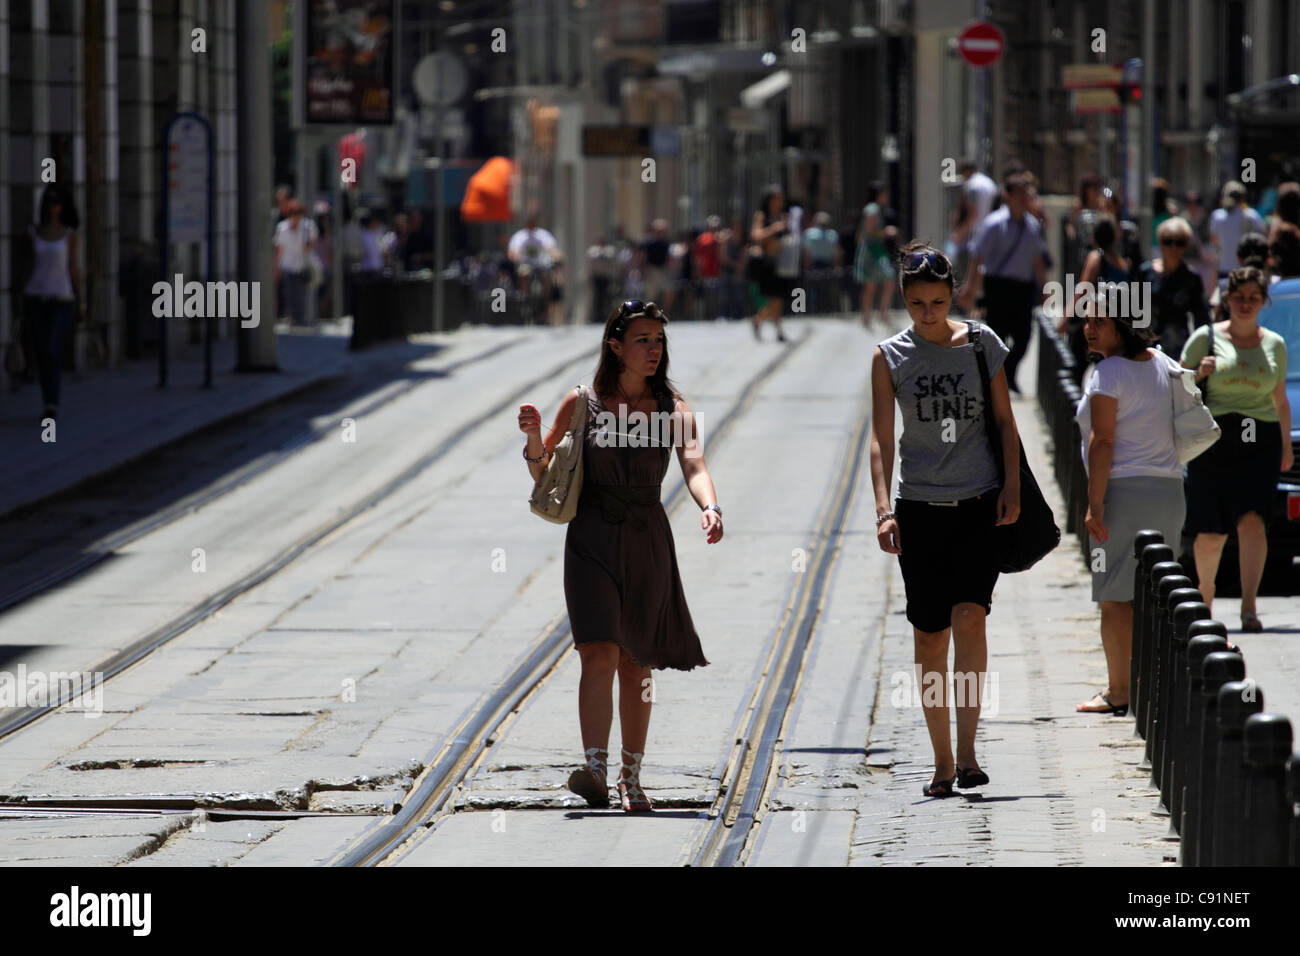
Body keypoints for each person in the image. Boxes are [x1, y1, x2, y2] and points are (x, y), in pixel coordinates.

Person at [517, 299, 720, 811]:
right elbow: (546, 477)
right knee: (597, 651)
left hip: (647, 536)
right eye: (642, 341)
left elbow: (694, 466)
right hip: (590, 536)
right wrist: (534, 439)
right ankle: (596, 769)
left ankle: (632, 777)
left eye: (658, 341)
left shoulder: (675, 409)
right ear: (615, 347)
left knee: (636, 662)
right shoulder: (583, 402)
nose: (653, 350)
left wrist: (710, 506)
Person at [870, 242, 1022, 798]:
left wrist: (1011, 487)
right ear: (904, 299)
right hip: (919, 511)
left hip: (978, 503)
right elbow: (881, 440)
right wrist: (884, 510)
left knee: (971, 619)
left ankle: (968, 753)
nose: (928, 313)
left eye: (936, 301)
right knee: (930, 637)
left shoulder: (982, 344)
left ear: (951, 293)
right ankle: (939, 762)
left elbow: (1005, 422)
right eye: (916, 303)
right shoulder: (889, 356)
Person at [1074, 310, 1185, 716]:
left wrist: (1095, 504)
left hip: (1121, 494)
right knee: (1158, 591)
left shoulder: (1109, 373)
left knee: (1114, 596)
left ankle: (1120, 689)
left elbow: (1103, 441)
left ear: (1122, 327)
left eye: (1099, 322)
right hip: (1170, 491)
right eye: (1086, 321)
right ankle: (1154, 683)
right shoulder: (1162, 361)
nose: (1088, 328)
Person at [1180, 267, 1293, 630]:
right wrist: (1198, 373)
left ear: (1263, 302)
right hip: (1214, 438)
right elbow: (1174, 386)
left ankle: (1249, 608)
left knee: (1253, 522)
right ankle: (1206, 598)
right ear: (1227, 300)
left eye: (1253, 298)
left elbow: (1279, 399)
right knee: (1211, 530)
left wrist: (1286, 446)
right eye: (1239, 297)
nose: (1245, 304)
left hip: (1259, 440)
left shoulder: (1274, 343)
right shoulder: (1205, 338)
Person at [957, 170, 1049, 394]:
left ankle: (1008, 372)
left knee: (1024, 336)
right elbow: (977, 257)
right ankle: (997, 382)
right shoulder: (993, 223)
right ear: (1007, 195)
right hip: (997, 287)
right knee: (997, 335)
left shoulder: (1032, 226)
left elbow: (1038, 260)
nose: (1023, 198)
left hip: (1022, 289)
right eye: (1018, 193)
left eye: (1025, 193)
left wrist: (1045, 288)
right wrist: (970, 287)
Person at [19, 185, 84, 423]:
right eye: (49, 203)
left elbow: (73, 268)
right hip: (35, 296)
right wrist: (19, 300)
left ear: (62, 207)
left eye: (56, 203)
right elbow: (26, 268)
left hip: (61, 298)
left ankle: (52, 403)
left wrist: (82, 300)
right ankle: (47, 399)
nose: (52, 208)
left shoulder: (69, 235)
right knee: (41, 352)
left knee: (52, 349)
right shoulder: (32, 233)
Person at [1142, 217, 1210, 359]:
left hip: (1178, 351)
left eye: (1180, 242)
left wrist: (1201, 352)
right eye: (1168, 241)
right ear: (1160, 243)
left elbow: (1202, 320)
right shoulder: (1144, 272)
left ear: (1186, 245)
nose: (1173, 247)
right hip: (1146, 348)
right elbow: (1132, 312)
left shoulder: (1191, 278)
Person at [749, 184, 791, 341]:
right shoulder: (762, 216)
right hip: (767, 263)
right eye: (777, 198)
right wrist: (774, 229)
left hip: (782, 262)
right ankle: (775, 328)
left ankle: (761, 321)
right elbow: (756, 235)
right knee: (773, 299)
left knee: (778, 299)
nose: (780, 201)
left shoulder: (783, 216)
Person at [854, 183, 895, 328]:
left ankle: (868, 316)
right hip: (873, 251)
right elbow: (870, 231)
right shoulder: (873, 209)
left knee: (871, 285)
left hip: (871, 250)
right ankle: (879, 313)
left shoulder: (870, 208)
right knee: (884, 281)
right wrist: (886, 232)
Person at [1209, 181, 1266, 280]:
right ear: (1243, 198)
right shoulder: (1251, 215)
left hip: (1224, 269)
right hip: (1247, 270)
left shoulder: (1217, 216)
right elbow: (1262, 239)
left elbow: (1214, 241)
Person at [273, 200, 318, 325]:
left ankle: (301, 317)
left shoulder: (308, 227)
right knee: (289, 293)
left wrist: (308, 246)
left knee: (301, 293)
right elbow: (279, 248)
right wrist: (276, 267)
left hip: (302, 264)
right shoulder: (282, 228)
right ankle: (292, 317)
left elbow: (314, 241)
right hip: (287, 264)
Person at [801, 210, 839, 315]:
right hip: (826, 264)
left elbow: (806, 252)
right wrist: (836, 266)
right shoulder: (833, 234)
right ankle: (824, 309)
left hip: (815, 264)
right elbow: (836, 253)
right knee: (824, 288)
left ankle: (814, 309)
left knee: (814, 287)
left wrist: (806, 265)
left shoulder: (809, 233)